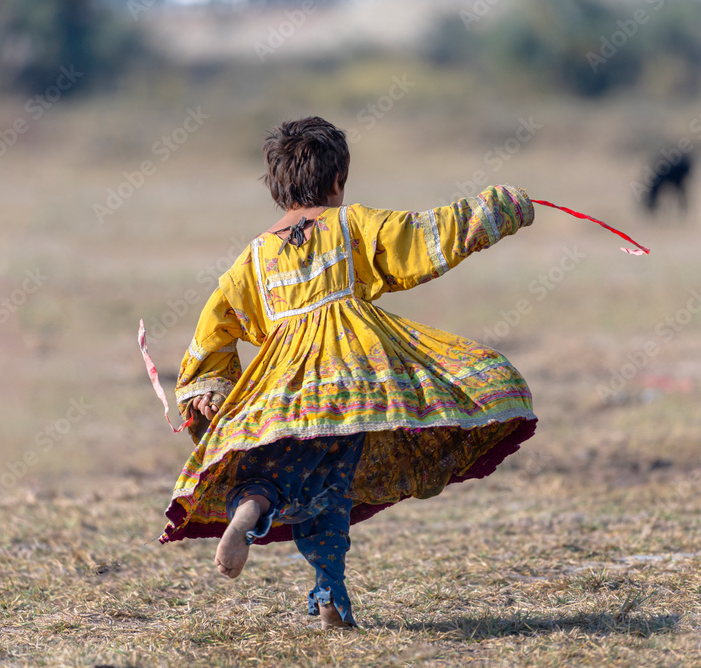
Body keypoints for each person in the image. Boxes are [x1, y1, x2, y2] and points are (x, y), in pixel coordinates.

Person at [160, 116, 537, 629]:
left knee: (284, 471)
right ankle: (324, 586)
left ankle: (263, 516)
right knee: (331, 485)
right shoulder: (351, 224)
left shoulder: (253, 258)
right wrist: (498, 209)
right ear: (337, 181)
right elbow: (424, 235)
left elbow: (215, 326)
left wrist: (208, 387)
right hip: (357, 384)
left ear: (277, 188)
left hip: (288, 391)